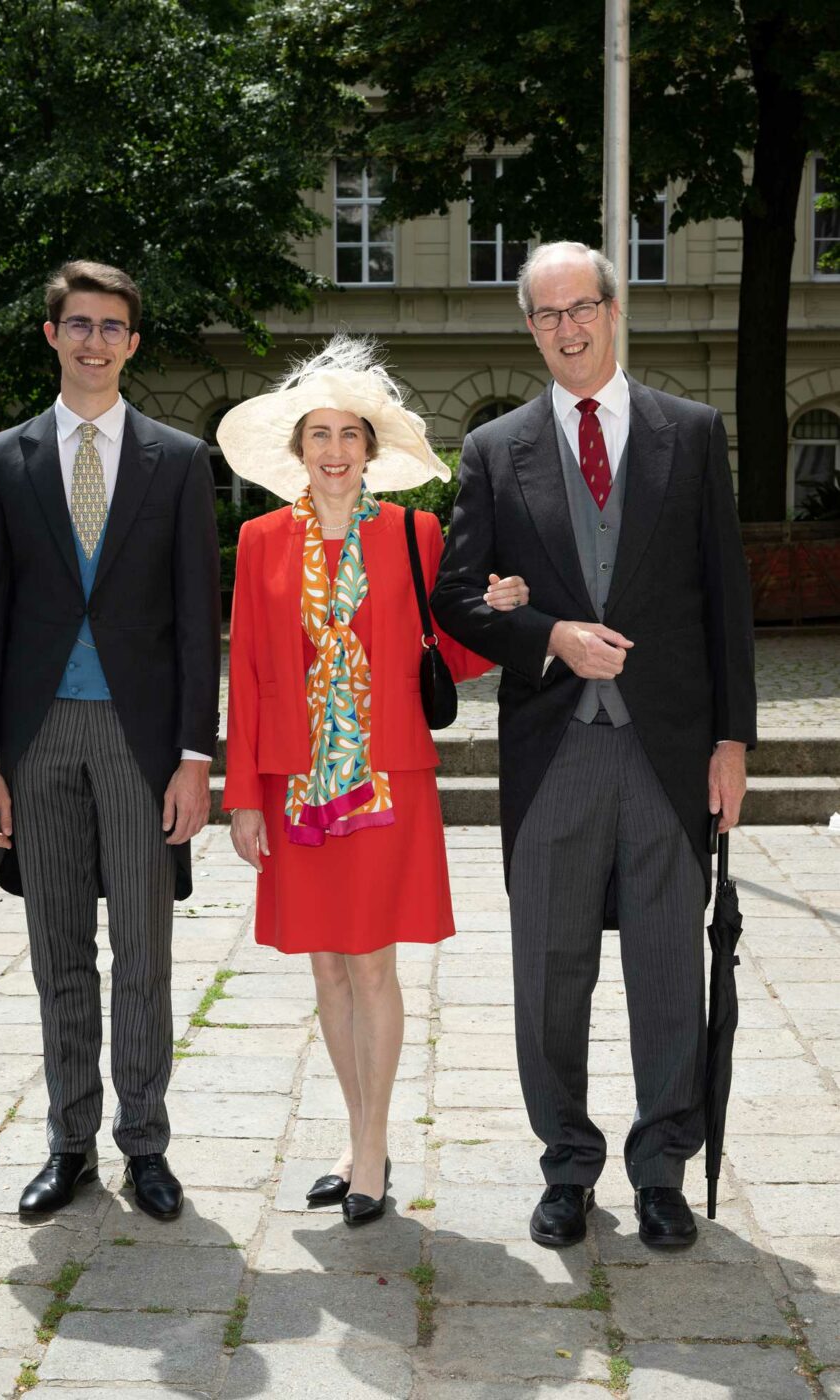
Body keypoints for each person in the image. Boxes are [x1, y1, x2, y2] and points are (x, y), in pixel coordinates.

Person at [431, 242, 756, 1250]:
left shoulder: (691, 434)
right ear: (529, 327)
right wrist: (549, 637)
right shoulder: (496, 449)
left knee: (669, 969)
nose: (568, 328)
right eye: (547, 315)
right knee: (550, 971)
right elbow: (457, 596)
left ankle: (661, 1163)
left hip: (666, 748)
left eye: (583, 308)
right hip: (552, 751)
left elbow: (725, 600)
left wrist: (734, 739)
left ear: (614, 311)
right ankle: (567, 1164)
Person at [218, 336, 525, 1225]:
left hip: (387, 775)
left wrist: (497, 613)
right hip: (294, 783)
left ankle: (371, 1151)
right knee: (326, 972)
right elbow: (248, 671)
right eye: (318, 433)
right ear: (297, 449)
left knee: (374, 967)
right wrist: (242, 795)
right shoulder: (258, 540)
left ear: (371, 448)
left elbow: (453, 651)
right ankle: (359, 1142)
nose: (334, 450)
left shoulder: (412, 533)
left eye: (349, 433)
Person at [0, 260, 221, 1221]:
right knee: (58, 948)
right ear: (52, 335)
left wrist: (198, 757)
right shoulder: (2, 459)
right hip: (35, 744)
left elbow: (198, 622)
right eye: (79, 324)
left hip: (141, 742)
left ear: (133, 343)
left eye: (113, 327)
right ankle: (69, 1143)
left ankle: (144, 1144)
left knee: (143, 952)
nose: (95, 341)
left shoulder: (178, 460)